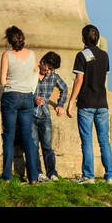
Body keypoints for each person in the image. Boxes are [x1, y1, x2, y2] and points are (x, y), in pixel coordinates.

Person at [67, 24, 112, 185]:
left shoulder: (81, 56)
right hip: (102, 103)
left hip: (86, 103)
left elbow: (79, 80)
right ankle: (110, 176)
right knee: (104, 140)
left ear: (83, 38)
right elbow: (104, 77)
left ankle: (88, 175)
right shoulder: (105, 56)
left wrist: (71, 102)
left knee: (87, 140)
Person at [0, 26, 41, 183]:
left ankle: (7, 176)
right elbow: (36, 74)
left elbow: (3, 80)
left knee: (9, 136)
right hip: (27, 97)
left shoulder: (7, 55)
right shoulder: (32, 54)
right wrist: (29, 89)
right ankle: (33, 177)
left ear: (9, 40)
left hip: (11, 95)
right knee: (27, 137)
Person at [32, 51, 67, 181]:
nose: (48, 72)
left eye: (51, 70)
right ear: (42, 62)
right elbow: (23, 91)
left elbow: (64, 88)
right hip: (31, 113)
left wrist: (60, 104)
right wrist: (34, 99)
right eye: (48, 68)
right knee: (34, 145)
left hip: (45, 115)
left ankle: (52, 173)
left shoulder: (53, 76)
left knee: (47, 146)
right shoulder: (32, 74)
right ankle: (38, 173)